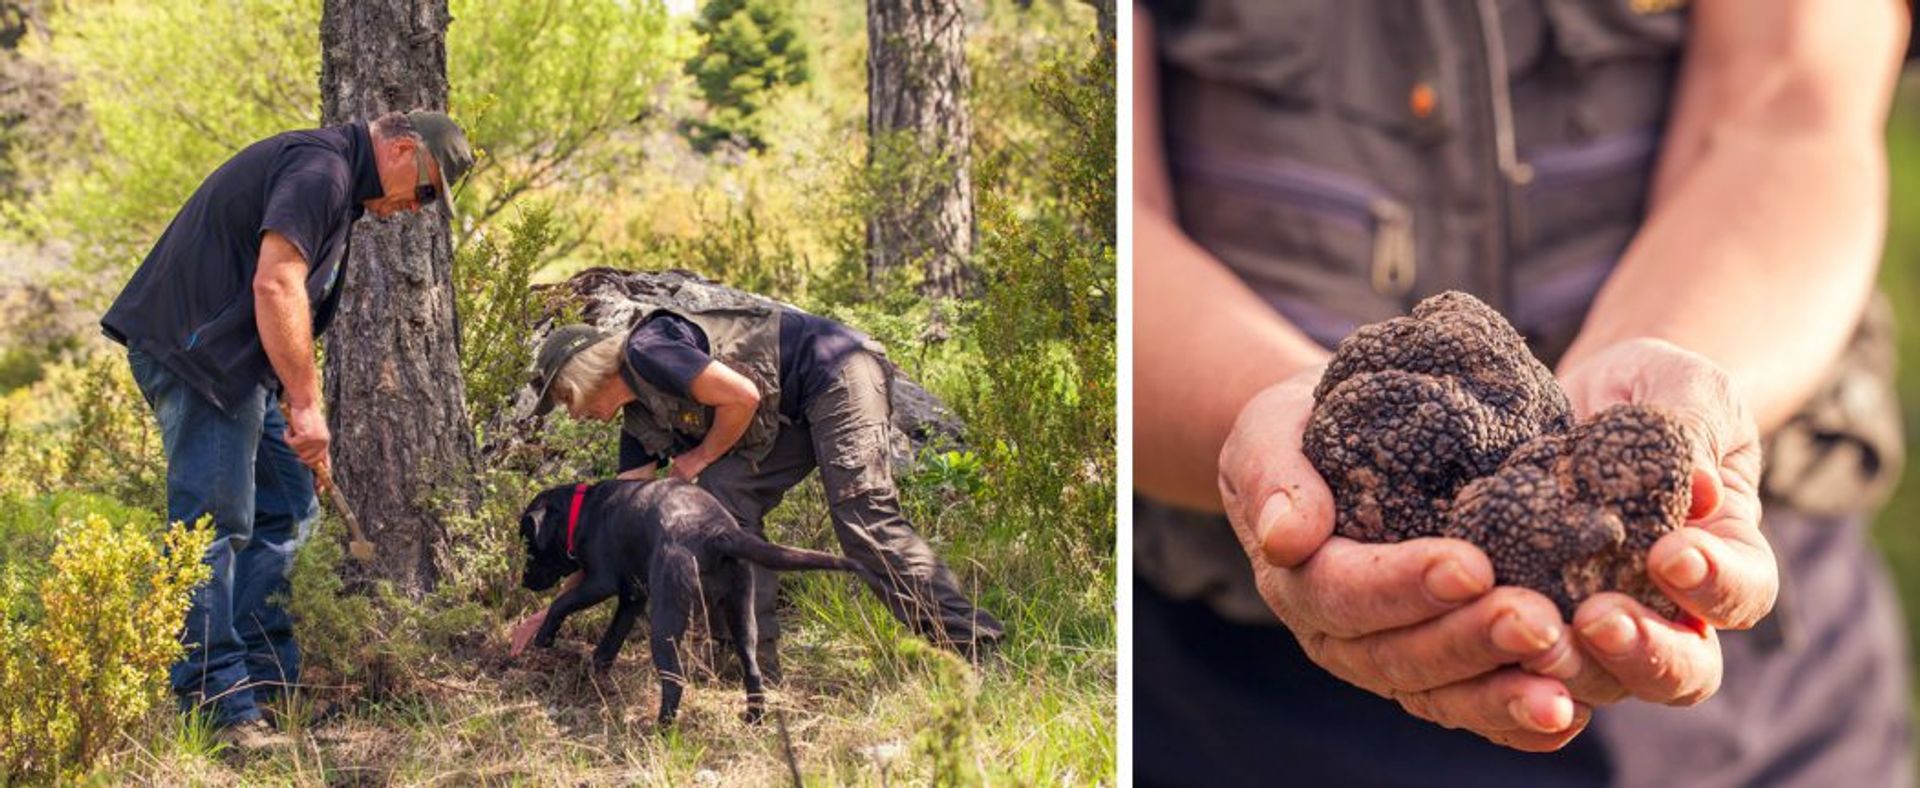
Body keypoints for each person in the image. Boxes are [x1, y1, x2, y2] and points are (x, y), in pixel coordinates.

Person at [1133, 1, 1911, 785]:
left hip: (1759, 666)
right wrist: (1264, 410)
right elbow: (1102, 211)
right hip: (1236, 687)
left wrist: (1669, 386)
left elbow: (1790, 106)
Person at [101, 110, 473, 744]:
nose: (418, 208)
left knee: (292, 508)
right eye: (428, 190)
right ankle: (216, 704)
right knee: (211, 529)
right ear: (404, 150)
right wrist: (305, 404)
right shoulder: (321, 169)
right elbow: (275, 284)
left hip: (239, 374)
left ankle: (267, 682)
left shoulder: (338, 188)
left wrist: (284, 397)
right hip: (201, 363)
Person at [509, 300, 1005, 676]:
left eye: (565, 398)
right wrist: (551, 611)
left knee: (861, 515)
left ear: (586, 371)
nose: (572, 414)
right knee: (719, 511)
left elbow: (742, 397)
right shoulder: (636, 424)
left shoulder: (649, 349)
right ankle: (749, 669)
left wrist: (699, 457)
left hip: (835, 372)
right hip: (787, 415)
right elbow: (610, 538)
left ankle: (971, 645)